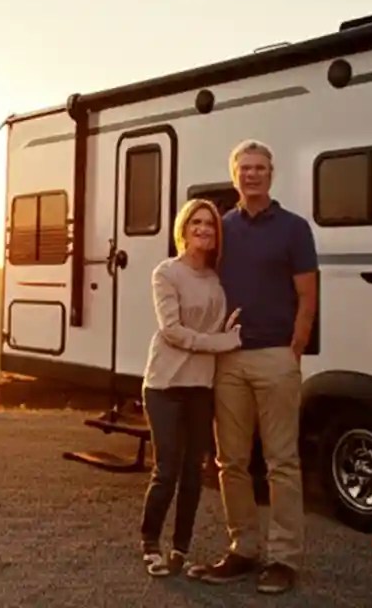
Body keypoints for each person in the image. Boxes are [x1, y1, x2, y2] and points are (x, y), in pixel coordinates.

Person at [188, 139, 318, 595]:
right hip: (230, 360)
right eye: (245, 168)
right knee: (231, 462)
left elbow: (307, 294)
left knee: (282, 461)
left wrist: (295, 347)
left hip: (275, 357)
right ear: (234, 174)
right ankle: (243, 549)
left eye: (260, 167)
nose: (253, 174)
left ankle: (283, 558)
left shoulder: (295, 229)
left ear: (271, 174)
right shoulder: (222, 229)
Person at [139, 198, 243, 577]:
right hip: (165, 384)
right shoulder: (166, 272)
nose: (204, 229)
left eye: (211, 224)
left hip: (201, 385)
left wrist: (228, 332)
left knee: (193, 470)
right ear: (183, 229)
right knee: (166, 469)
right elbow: (172, 331)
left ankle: (180, 547)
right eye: (196, 222)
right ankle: (151, 542)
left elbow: (217, 329)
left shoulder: (217, 278)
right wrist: (222, 342)